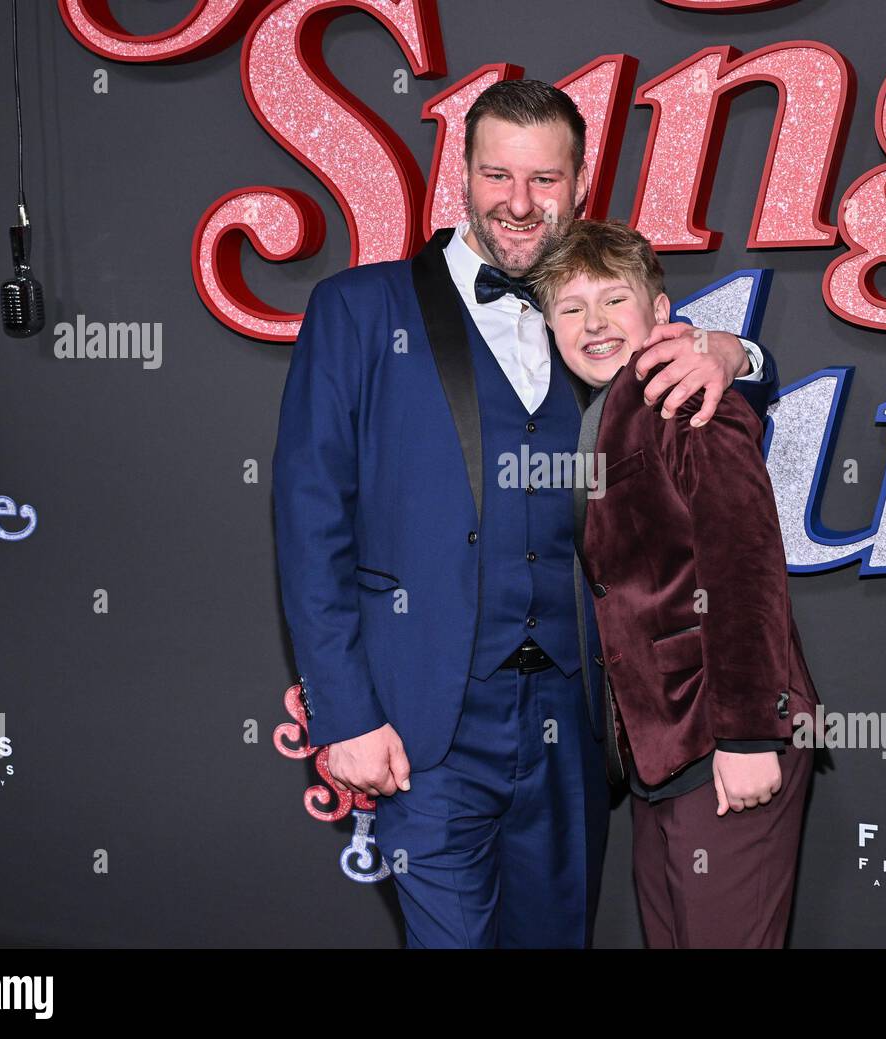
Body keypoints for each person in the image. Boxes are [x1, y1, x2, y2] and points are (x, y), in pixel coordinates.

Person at [271, 79, 775, 948]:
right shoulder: (358, 309)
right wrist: (342, 714)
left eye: (545, 179)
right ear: (460, 173)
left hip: (575, 725)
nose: (519, 201)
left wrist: (736, 349)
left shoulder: (588, 311)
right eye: (497, 173)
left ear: (578, 184)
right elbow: (309, 522)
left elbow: (711, 377)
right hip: (424, 726)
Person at [529, 218, 821, 948]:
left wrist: (751, 733)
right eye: (570, 308)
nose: (593, 323)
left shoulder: (687, 395)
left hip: (724, 734)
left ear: (661, 314)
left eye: (613, 300)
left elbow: (746, 563)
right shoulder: (598, 412)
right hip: (661, 747)